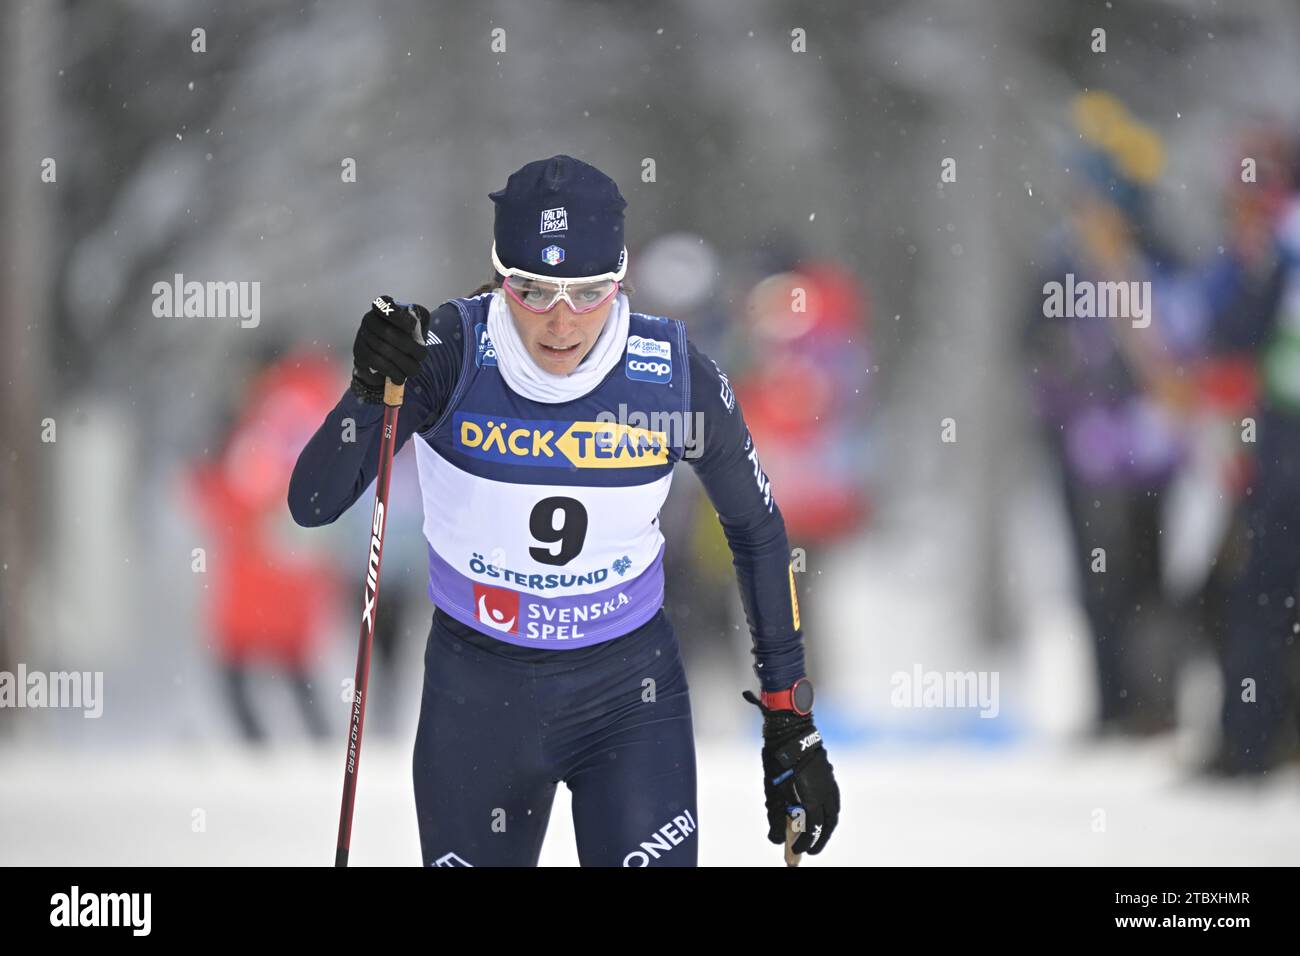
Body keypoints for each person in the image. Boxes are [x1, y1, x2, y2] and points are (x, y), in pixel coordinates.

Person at [288, 155, 840, 866]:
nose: (559, 320)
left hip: (628, 700)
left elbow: (758, 532)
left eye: (586, 292)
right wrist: (367, 390)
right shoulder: (450, 355)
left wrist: (790, 723)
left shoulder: (670, 377)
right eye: (531, 289)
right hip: (477, 698)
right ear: (499, 277)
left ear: (620, 279)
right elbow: (312, 502)